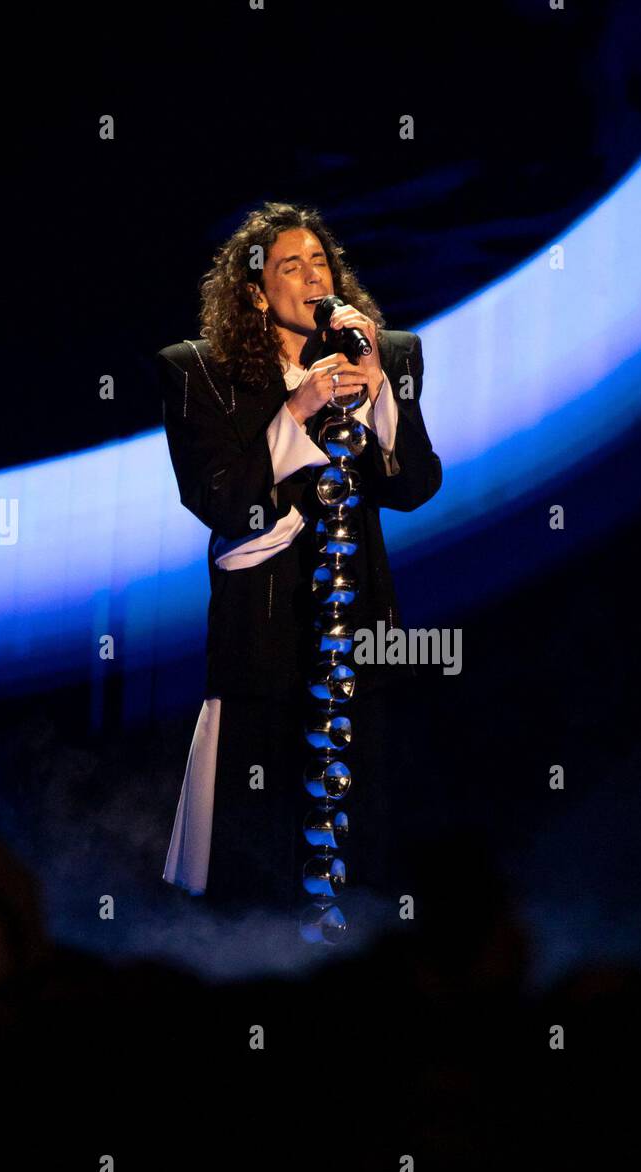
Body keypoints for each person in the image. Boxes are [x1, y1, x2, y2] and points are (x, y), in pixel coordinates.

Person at [156, 201, 442, 913]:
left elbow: (413, 486)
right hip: (262, 641)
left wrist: (377, 388)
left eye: (322, 263)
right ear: (254, 291)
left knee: (358, 847)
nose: (313, 277)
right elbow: (219, 499)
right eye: (292, 266)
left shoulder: (390, 354)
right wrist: (296, 413)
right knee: (259, 851)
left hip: (356, 644)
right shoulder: (201, 373)